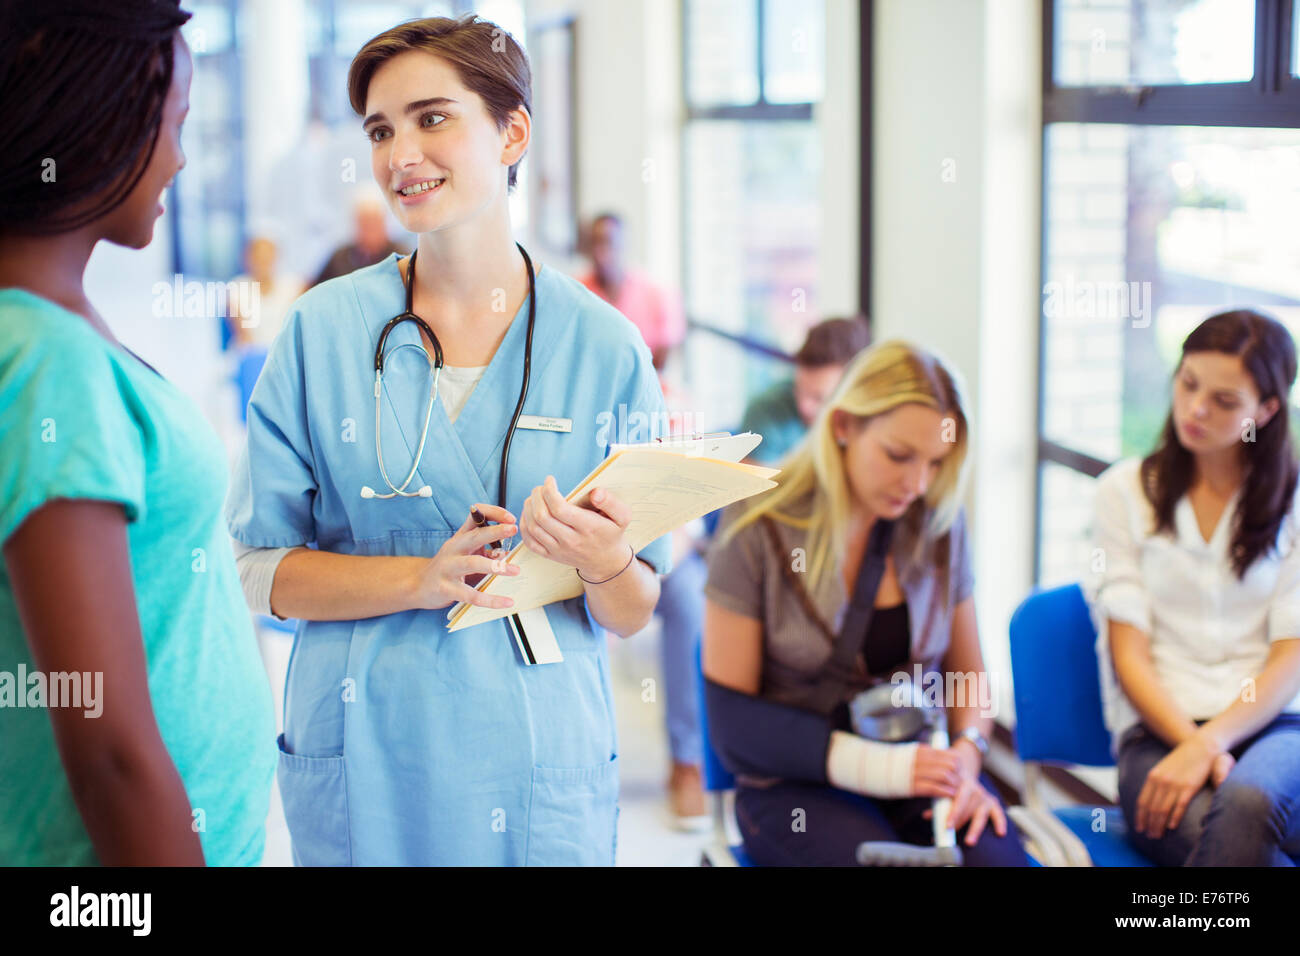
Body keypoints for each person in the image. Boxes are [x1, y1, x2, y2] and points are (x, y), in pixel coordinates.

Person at [227, 15, 670, 866]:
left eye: (432, 119)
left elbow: (634, 608)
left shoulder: (604, 345)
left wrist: (605, 561)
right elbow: (258, 570)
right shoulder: (324, 330)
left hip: (538, 745)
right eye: (382, 130)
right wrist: (420, 579)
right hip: (366, 741)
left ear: (512, 131)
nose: (400, 155)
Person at [0, 1, 274, 865]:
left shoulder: (53, 327)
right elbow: (109, 753)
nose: (181, 158)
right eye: (176, 123)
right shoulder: (48, 362)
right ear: (107, 119)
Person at [703, 340, 1028, 866]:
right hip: (794, 783)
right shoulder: (755, 530)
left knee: (997, 861)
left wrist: (967, 754)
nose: (917, 483)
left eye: (935, 463)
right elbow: (734, 728)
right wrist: (887, 770)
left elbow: (968, 676)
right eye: (899, 456)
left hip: (915, 766)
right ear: (843, 427)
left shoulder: (938, 521)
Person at [1090, 309, 1300, 866]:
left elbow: (1292, 654)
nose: (1196, 409)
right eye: (1187, 384)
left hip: (1274, 727)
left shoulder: (1294, 499)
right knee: (1242, 833)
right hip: (1159, 733)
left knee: (1250, 799)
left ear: (1267, 410)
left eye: (1225, 401)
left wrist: (1212, 744)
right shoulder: (1125, 492)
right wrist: (1190, 742)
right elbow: (1128, 652)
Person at [740, 315, 871, 465]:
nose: (804, 406)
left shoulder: (872, 423)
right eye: (799, 389)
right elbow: (756, 485)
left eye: (819, 398)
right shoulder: (766, 411)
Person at [579, 212, 685, 372]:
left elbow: (664, 358)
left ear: (623, 244)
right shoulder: (577, 292)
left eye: (609, 242)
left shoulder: (656, 295)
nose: (601, 253)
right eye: (595, 242)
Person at [308, 191, 408, 287]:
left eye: (374, 222)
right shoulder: (339, 258)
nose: (370, 228)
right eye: (365, 223)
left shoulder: (400, 256)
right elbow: (316, 289)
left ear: (384, 223)